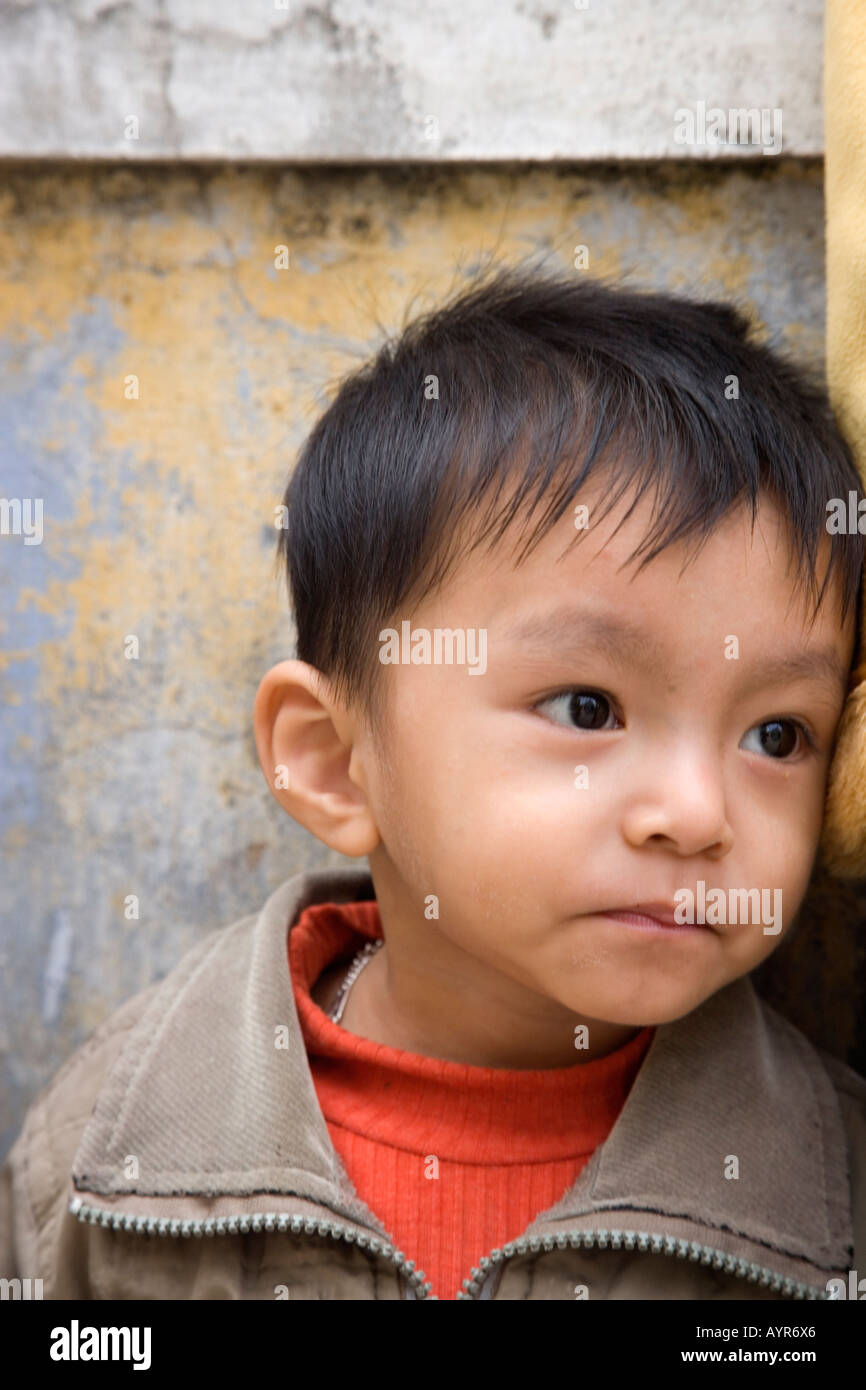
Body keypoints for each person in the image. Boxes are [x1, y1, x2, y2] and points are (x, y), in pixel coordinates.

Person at [3, 263, 865, 1300]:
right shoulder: (113, 1155)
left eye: (775, 733)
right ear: (332, 761)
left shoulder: (831, 1205)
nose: (693, 814)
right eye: (586, 708)